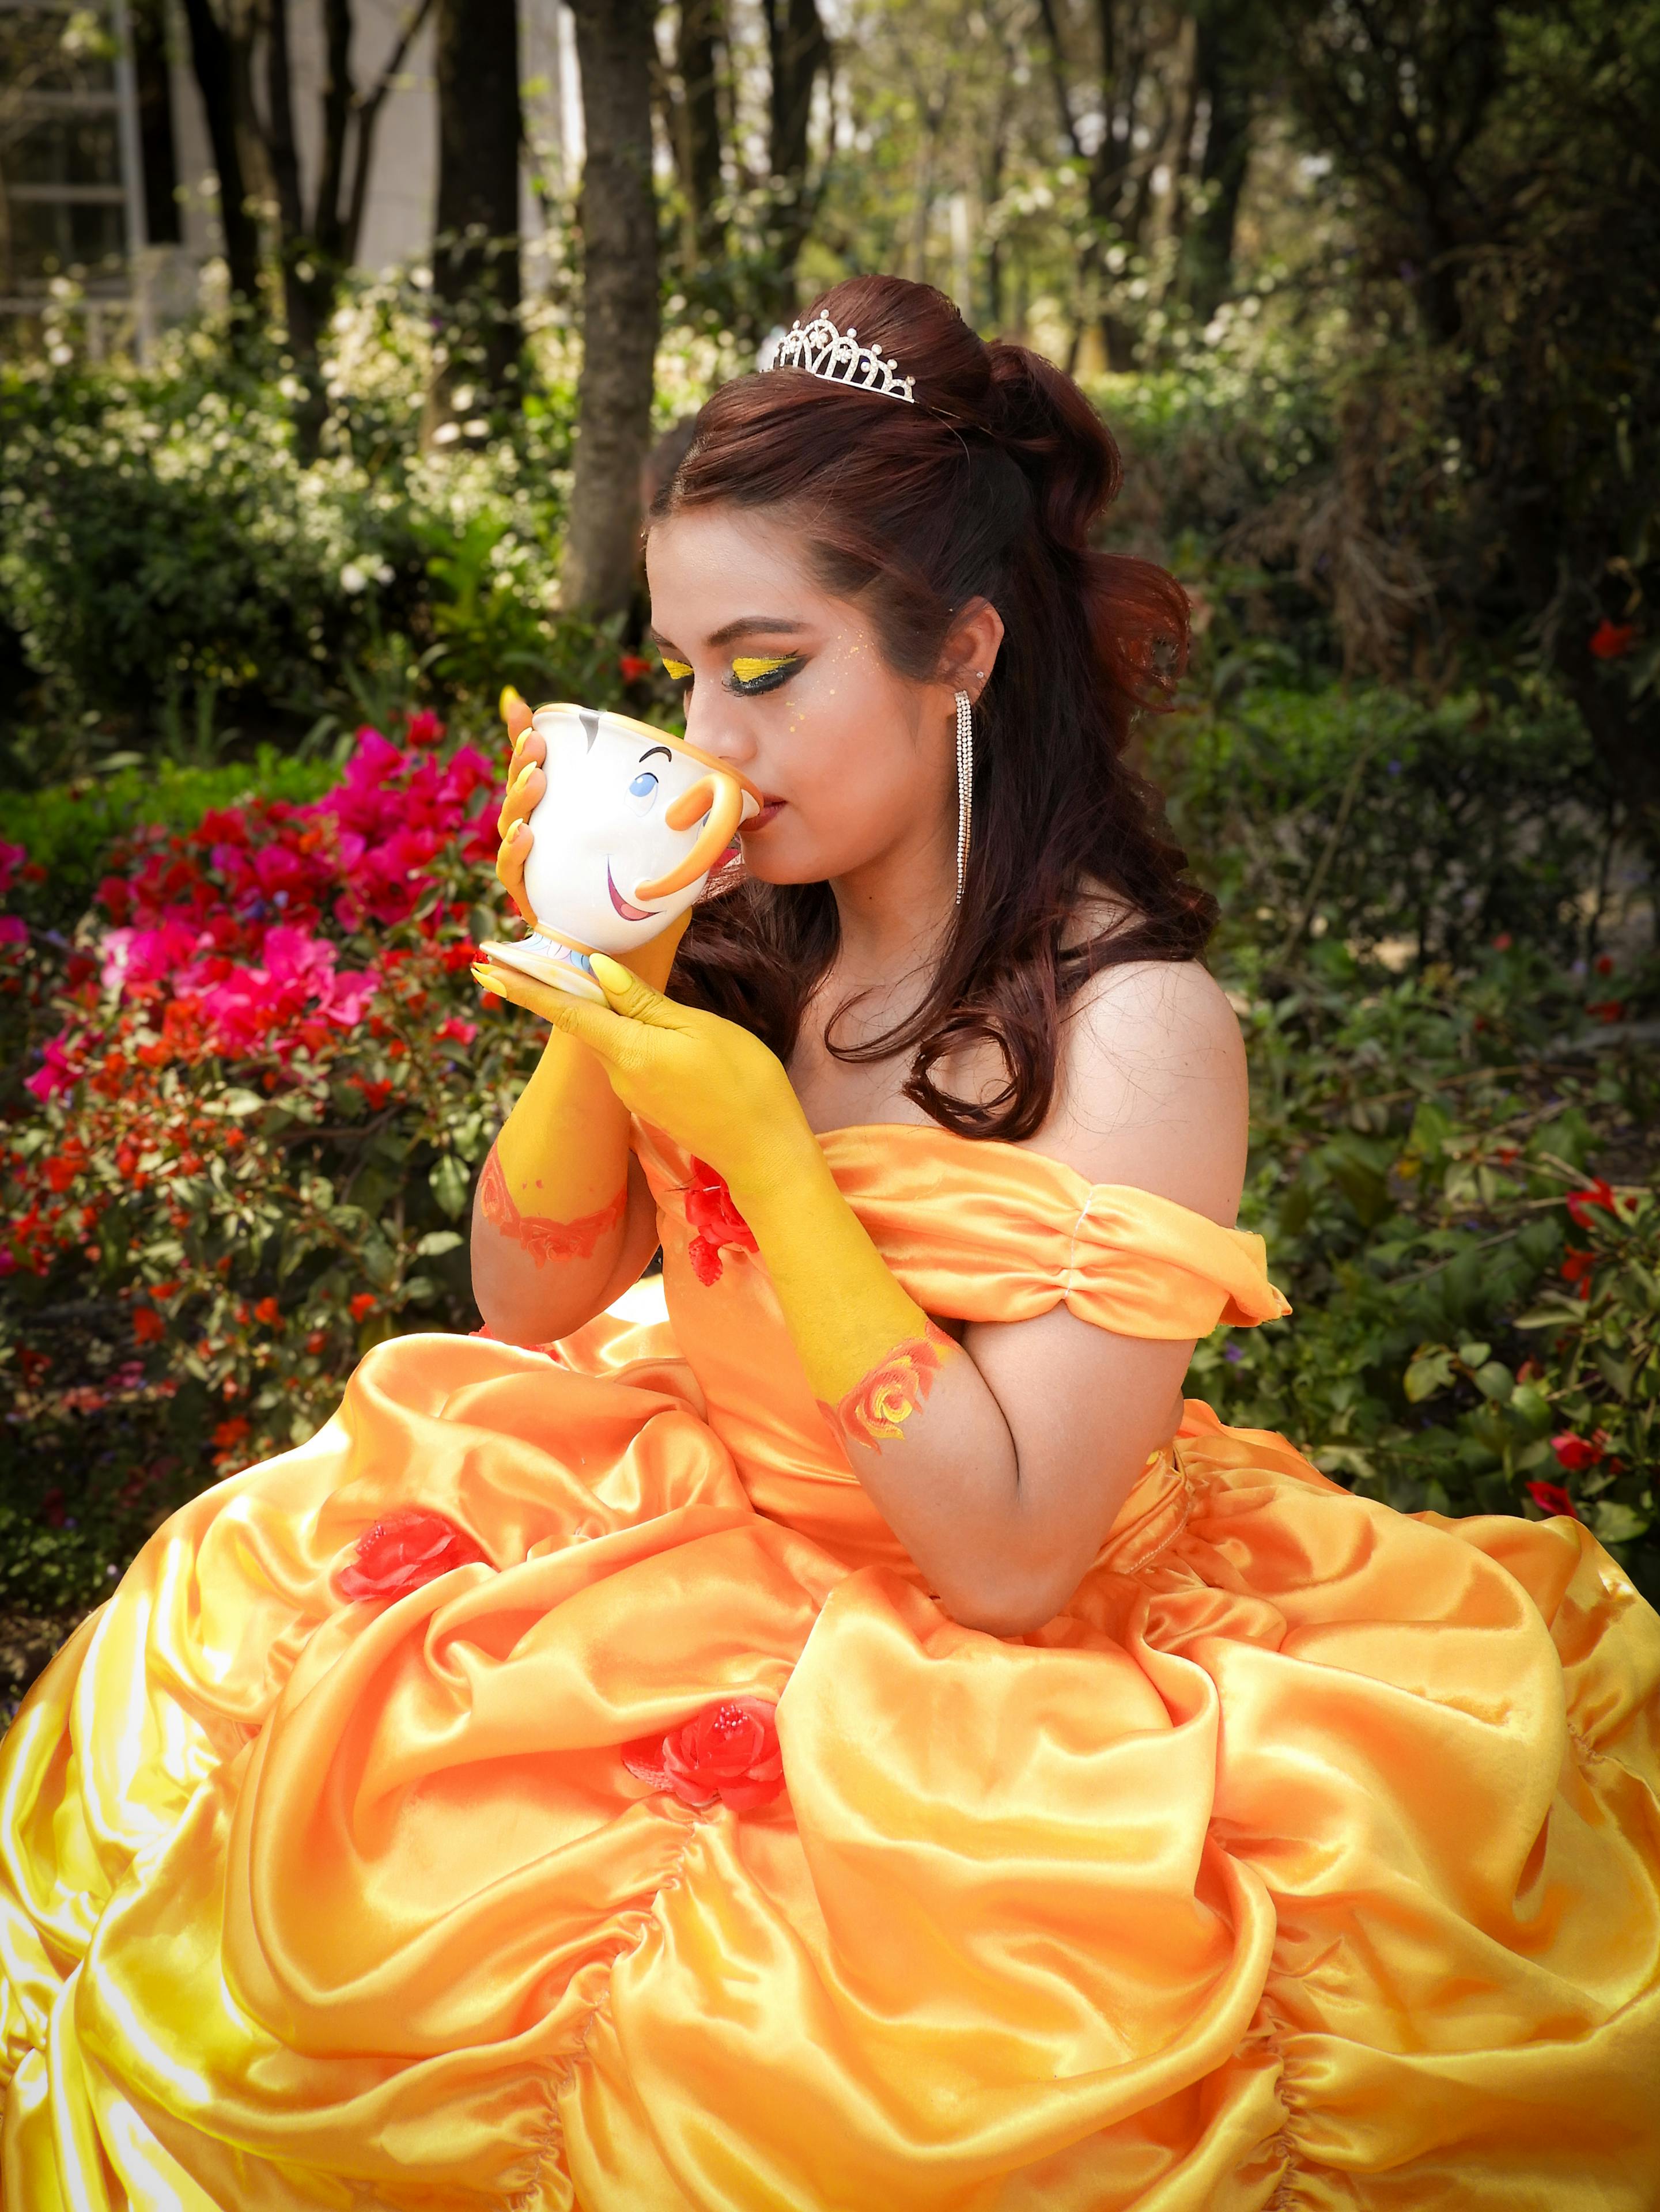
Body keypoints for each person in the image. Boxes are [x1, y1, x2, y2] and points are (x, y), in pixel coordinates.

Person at [1, 276, 1655, 2210]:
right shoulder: (754, 931)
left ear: (960, 648)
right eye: (680, 668)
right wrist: (598, 966)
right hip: (681, 1511)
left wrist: (771, 1164)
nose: (708, 737)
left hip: (993, 1679)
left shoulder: (1134, 1025)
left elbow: (1017, 1558)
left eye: (764, 668)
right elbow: (528, 1304)